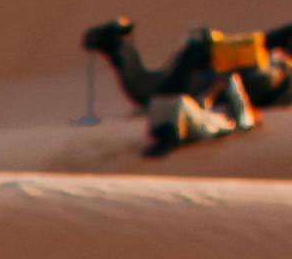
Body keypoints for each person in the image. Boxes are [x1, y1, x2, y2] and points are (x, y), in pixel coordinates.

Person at [83, 9, 292, 154]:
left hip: (220, 71)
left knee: (149, 91)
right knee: (149, 93)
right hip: (220, 74)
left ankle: (117, 43)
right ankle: (117, 43)